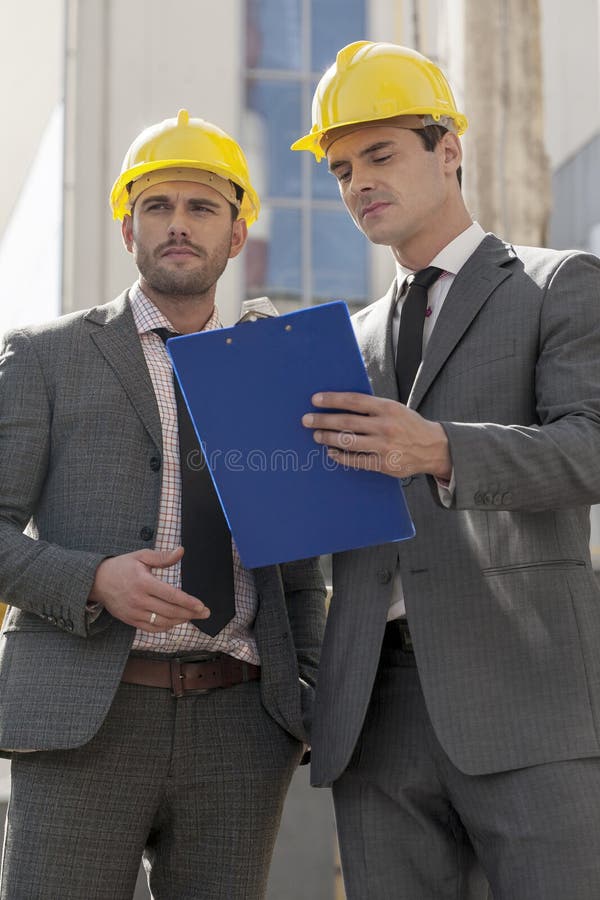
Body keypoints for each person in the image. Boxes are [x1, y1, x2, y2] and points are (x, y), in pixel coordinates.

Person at [292, 41, 600, 900]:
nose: (358, 184)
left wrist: (440, 448)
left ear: (449, 149)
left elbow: (592, 447)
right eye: (342, 168)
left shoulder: (557, 286)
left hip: (526, 698)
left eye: (381, 155)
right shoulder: (339, 343)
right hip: (375, 714)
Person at [0, 109, 326, 900]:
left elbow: (300, 562)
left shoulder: (274, 365)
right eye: (158, 206)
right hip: (85, 719)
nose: (178, 225)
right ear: (127, 227)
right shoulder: (42, 357)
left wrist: (302, 693)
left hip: (239, 725)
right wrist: (92, 580)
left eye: (201, 207)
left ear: (236, 234)